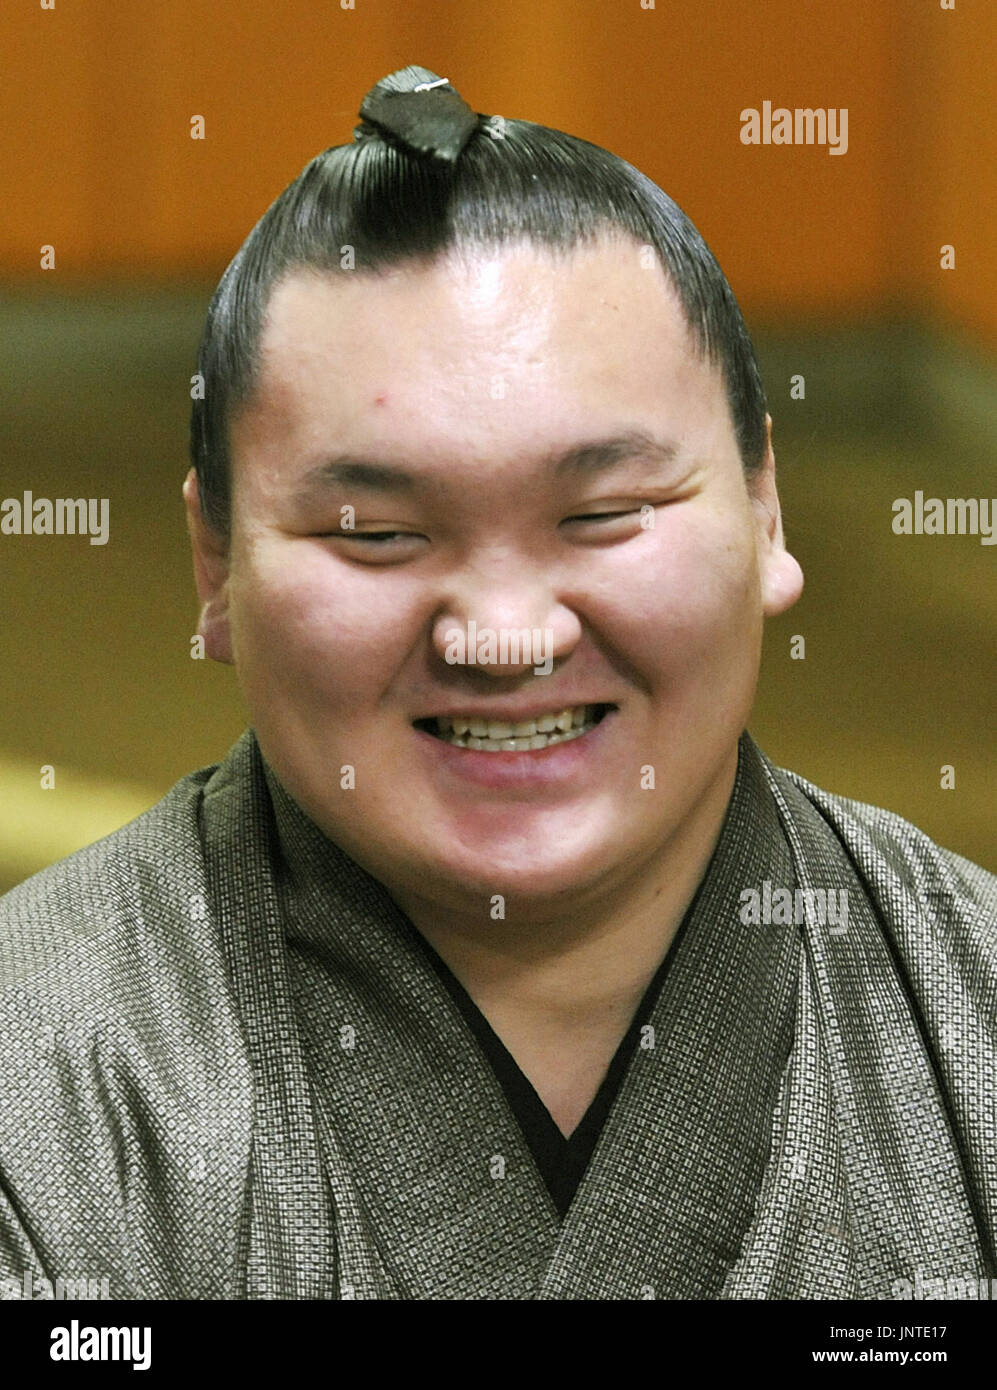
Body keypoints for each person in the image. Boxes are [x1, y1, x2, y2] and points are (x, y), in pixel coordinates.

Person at [1, 64, 994, 1302]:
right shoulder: (34, 1067)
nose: (504, 636)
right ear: (216, 561)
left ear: (762, 506)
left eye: (606, 513)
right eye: (375, 533)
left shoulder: (974, 1014)